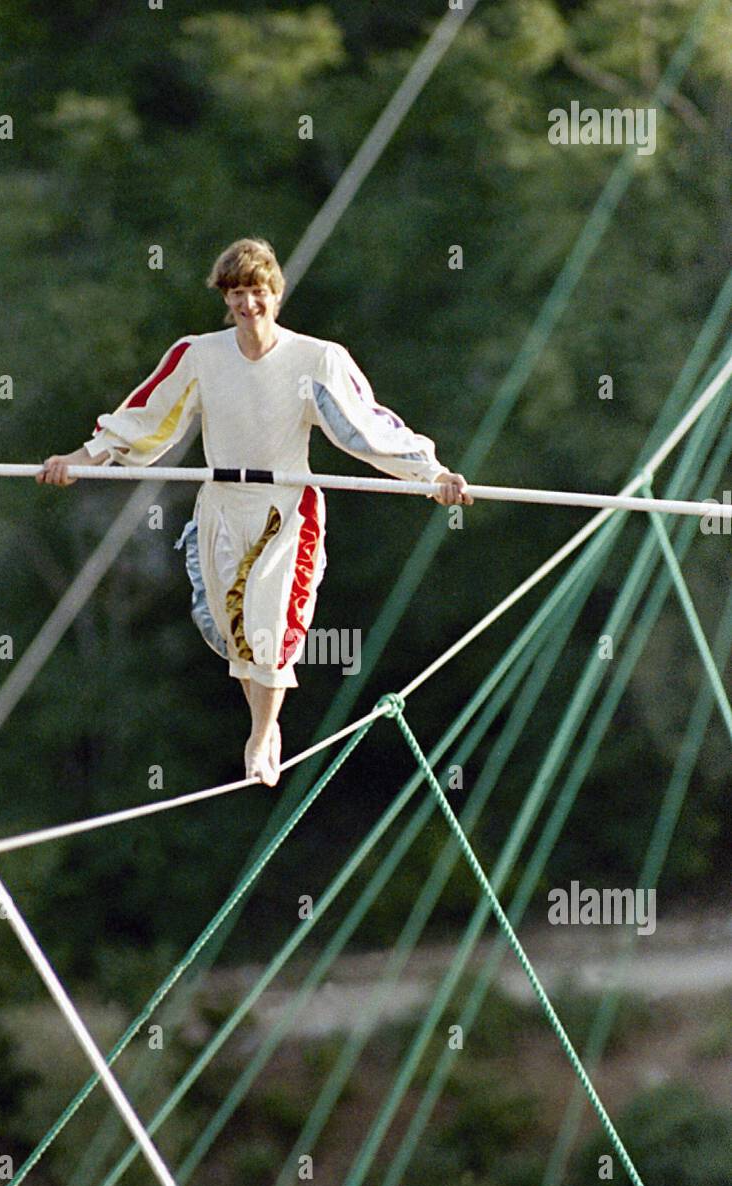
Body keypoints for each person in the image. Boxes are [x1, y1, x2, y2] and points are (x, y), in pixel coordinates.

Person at [37, 237, 472, 786]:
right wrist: (82, 460)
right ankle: (264, 722)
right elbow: (146, 415)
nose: (248, 305)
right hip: (221, 502)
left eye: (258, 292)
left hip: (283, 506)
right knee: (237, 630)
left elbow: (367, 427)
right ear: (227, 298)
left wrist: (432, 476)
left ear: (276, 292)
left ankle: (262, 736)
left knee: (268, 628)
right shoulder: (200, 354)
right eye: (238, 294)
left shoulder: (316, 358)